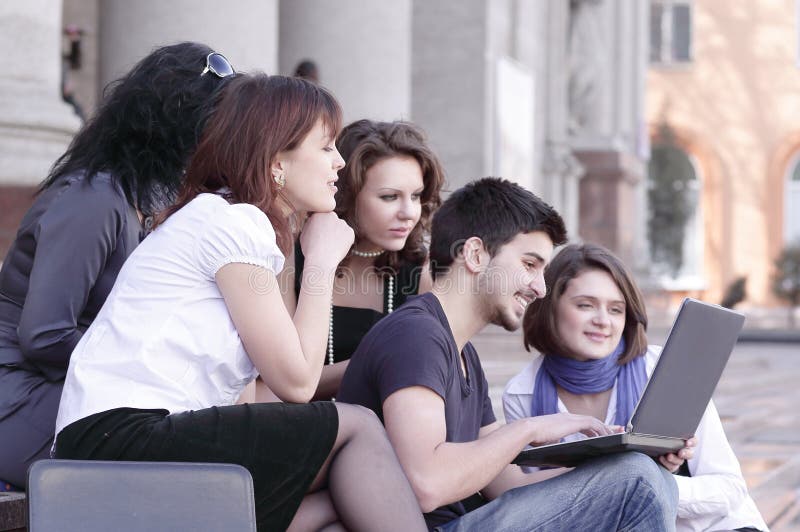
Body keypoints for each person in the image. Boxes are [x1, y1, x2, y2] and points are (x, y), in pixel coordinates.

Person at [53, 73, 427, 532]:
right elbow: (296, 382)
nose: (340, 163)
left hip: (130, 440)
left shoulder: (230, 222)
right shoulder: (233, 222)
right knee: (359, 428)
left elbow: (250, 401)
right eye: (327, 147)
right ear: (277, 162)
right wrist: (323, 262)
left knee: (343, 504)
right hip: (122, 437)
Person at [337, 177, 684, 531]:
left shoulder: (463, 353)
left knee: (643, 474)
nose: (540, 288)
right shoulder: (416, 336)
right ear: (475, 254)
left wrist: (610, 463)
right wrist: (529, 429)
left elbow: (508, 484)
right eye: (530, 265)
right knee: (637, 478)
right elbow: (427, 484)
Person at [0, 41, 233, 489]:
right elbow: (44, 334)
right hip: (21, 399)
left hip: (81, 392)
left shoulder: (151, 197)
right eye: (222, 127)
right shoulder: (96, 200)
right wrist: (147, 369)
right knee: (192, 464)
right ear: (181, 127)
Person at [503, 243, 769, 532]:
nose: (603, 321)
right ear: (550, 307)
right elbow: (544, 507)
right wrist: (619, 479)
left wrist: (648, 483)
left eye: (616, 310)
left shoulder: (661, 369)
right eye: (585, 305)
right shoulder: (522, 394)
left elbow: (729, 488)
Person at [284, 119, 444, 399]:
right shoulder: (292, 258)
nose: (409, 212)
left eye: (416, 196)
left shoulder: (422, 275)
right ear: (347, 194)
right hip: (302, 431)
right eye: (389, 197)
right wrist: (382, 361)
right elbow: (278, 380)